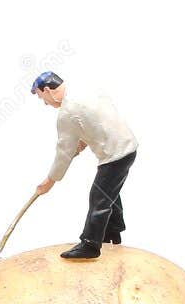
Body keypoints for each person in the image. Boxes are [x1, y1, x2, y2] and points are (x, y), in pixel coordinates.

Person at [31, 71, 139, 260]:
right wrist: (83, 141)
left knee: (99, 197)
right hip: (127, 146)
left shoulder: (67, 113)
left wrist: (50, 181)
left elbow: (63, 152)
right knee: (109, 192)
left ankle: (90, 244)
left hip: (115, 154)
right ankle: (113, 231)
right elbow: (95, 120)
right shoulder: (85, 90)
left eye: (42, 98)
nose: (45, 104)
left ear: (48, 90)